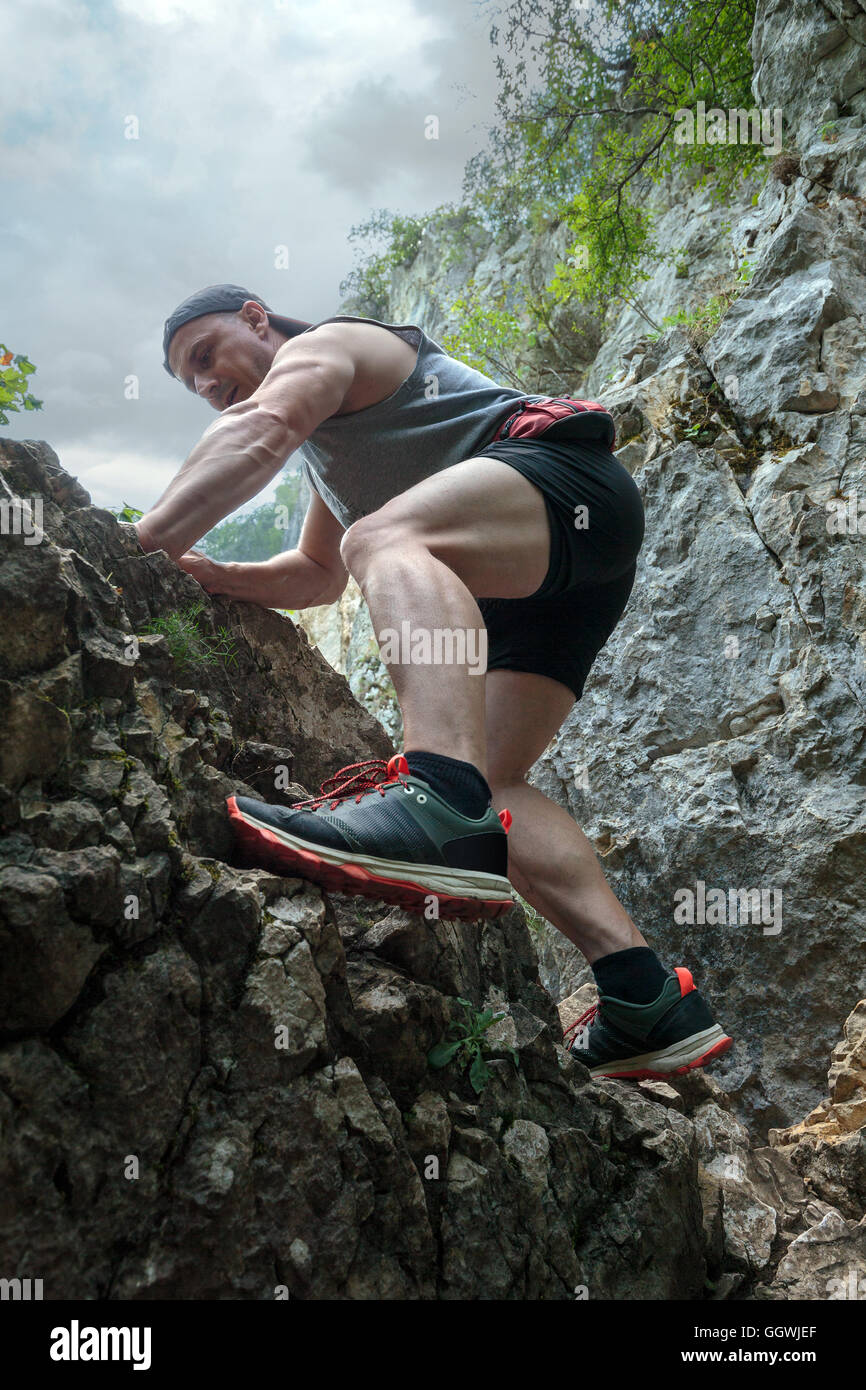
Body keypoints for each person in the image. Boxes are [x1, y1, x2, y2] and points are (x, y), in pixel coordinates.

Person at [136, 282, 732, 1080]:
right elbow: (317, 575)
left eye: (205, 356)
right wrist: (217, 575)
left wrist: (132, 553)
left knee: (386, 539)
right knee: (497, 782)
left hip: (564, 484)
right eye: (188, 383)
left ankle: (436, 798)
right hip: (544, 574)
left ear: (256, 317)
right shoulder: (331, 457)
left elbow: (262, 429)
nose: (206, 386)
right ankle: (644, 995)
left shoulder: (329, 346)